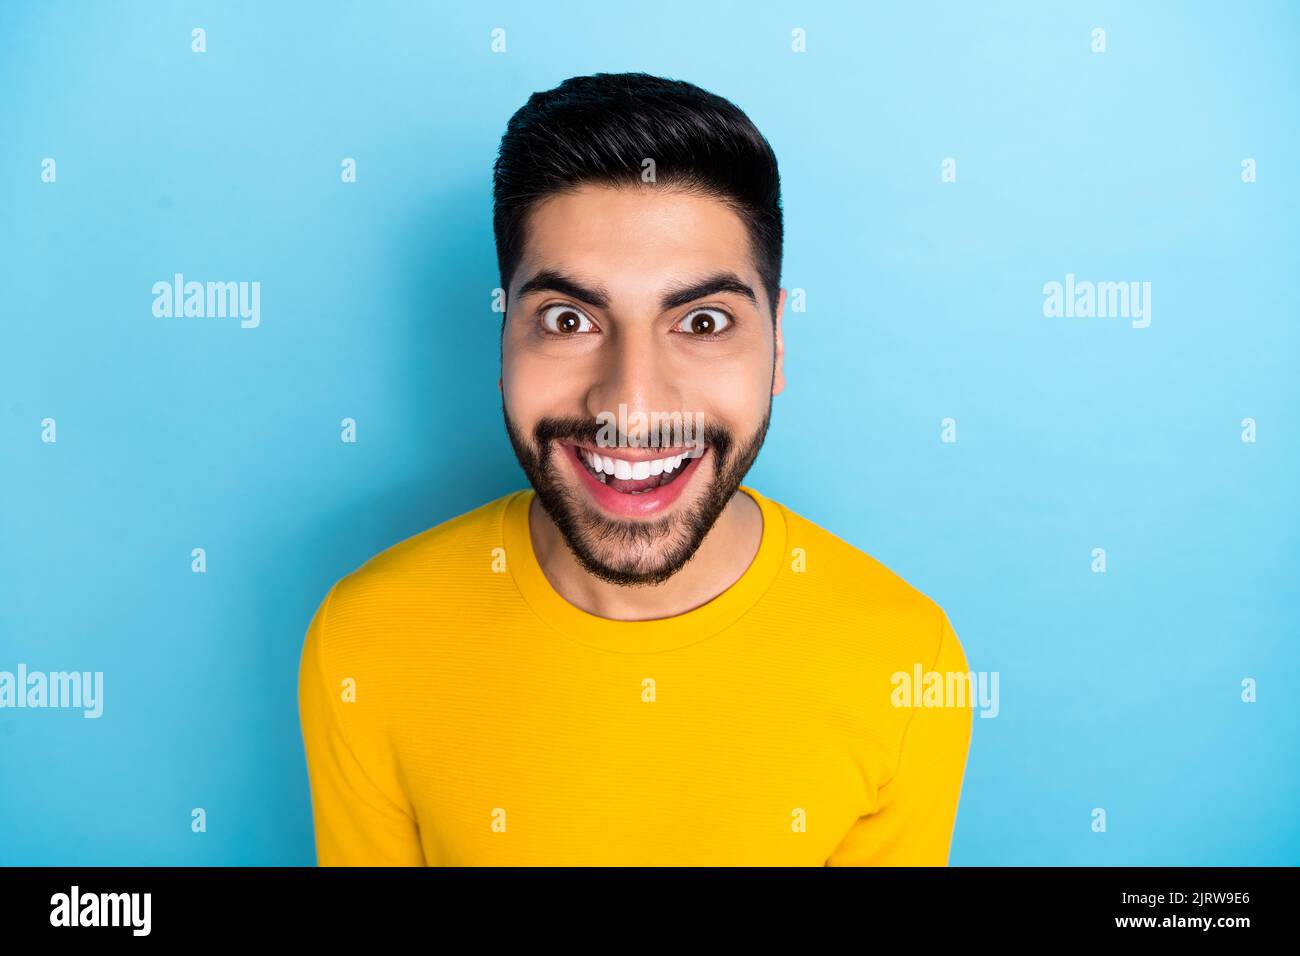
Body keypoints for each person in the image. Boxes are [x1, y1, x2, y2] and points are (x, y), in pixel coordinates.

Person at [298, 72, 973, 865]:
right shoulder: (365, 639)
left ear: (778, 343)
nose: (633, 403)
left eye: (703, 321)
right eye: (569, 319)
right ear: (504, 337)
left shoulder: (907, 662)